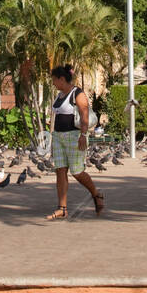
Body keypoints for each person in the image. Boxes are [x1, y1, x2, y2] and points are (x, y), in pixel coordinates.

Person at [45, 64, 104, 220]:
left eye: (54, 80)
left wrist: (83, 135)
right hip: (58, 136)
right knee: (60, 170)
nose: (53, 83)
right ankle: (62, 208)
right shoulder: (59, 96)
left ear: (62, 79)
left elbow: (84, 114)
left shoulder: (77, 93)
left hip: (74, 136)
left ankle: (96, 194)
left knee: (77, 172)